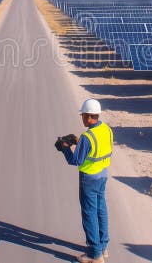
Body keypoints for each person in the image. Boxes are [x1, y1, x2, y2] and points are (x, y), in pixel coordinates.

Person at [57, 98, 113, 263]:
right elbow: (99, 148)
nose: (82, 118)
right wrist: (77, 142)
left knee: (89, 214)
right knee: (101, 210)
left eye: (83, 115)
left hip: (89, 179)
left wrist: (65, 148)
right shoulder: (106, 129)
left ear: (89, 116)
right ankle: (103, 247)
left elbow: (76, 160)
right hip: (103, 175)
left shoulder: (87, 137)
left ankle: (95, 255)